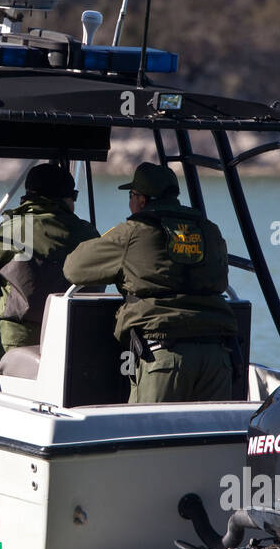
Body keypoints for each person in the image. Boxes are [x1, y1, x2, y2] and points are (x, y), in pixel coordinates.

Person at [63, 162, 238, 403]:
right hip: (219, 356)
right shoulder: (209, 230)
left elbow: (74, 268)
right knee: (207, 438)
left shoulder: (134, 231)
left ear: (141, 200)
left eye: (131, 195)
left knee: (148, 435)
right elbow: (219, 279)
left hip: (164, 356)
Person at [0, 163, 99, 389]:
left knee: (7, 404)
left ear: (29, 196)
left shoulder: (7, 232)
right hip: (76, 340)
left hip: (17, 341)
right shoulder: (89, 234)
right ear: (66, 198)